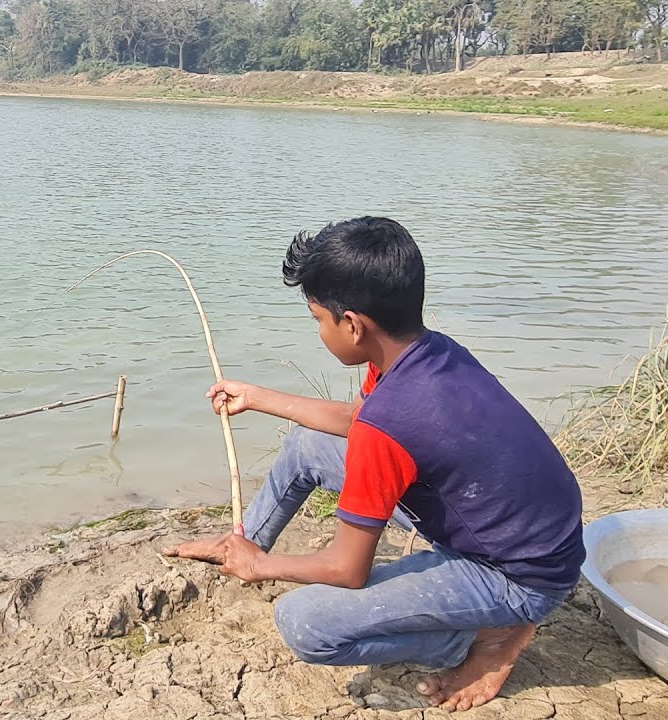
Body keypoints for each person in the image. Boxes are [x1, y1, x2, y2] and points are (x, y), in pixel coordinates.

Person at [163, 217, 585, 712]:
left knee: (306, 625)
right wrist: (257, 397)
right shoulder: (429, 353)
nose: (319, 331)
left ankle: (477, 638)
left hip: (519, 577)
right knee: (306, 444)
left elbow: (347, 570)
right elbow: (366, 422)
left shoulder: (387, 426)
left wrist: (260, 570)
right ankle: (244, 539)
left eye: (317, 319)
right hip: (522, 530)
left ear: (352, 325)